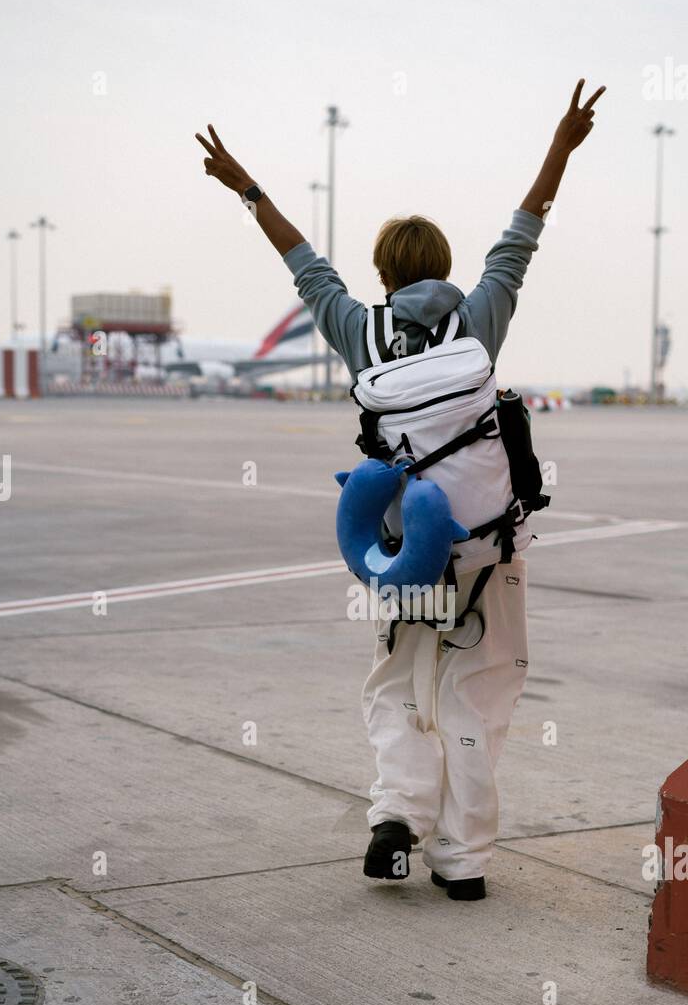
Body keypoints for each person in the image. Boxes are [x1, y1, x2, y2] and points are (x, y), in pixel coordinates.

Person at [195, 78, 605, 901]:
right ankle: (464, 862)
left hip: (408, 556)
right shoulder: (482, 313)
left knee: (395, 683)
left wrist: (243, 184)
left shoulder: (357, 328)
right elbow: (525, 230)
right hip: (490, 551)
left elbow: (300, 258)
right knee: (477, 690)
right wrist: (562, 143)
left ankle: (396, 819)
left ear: (382, 273)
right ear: (446, 272)